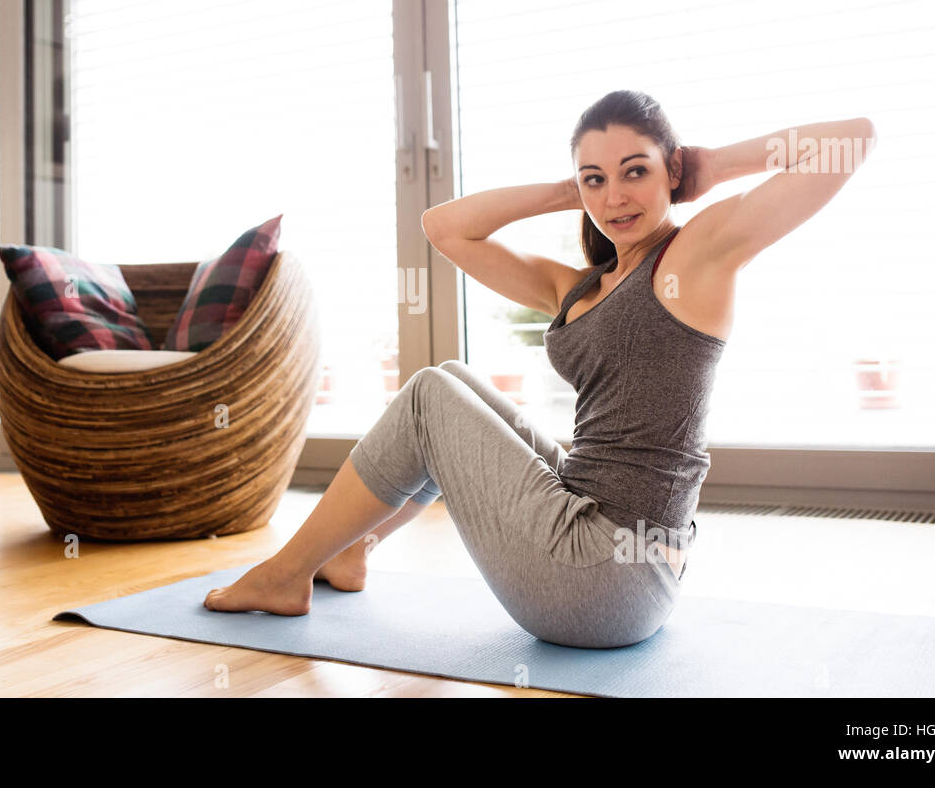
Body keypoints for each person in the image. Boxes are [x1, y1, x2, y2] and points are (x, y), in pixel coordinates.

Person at [204, 89, 876, 648]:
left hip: (606, 576)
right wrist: (568, 190)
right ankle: (352, 552)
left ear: (671, 170)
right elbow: (444, 228)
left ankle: (287, 571)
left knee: (429, 396)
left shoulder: (696, 257)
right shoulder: (577, 288)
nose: (615, 196)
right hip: (602, 547)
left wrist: (710, 165)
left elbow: (854, 138)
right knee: (454, 382)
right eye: (596, 178)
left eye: (635, 171)